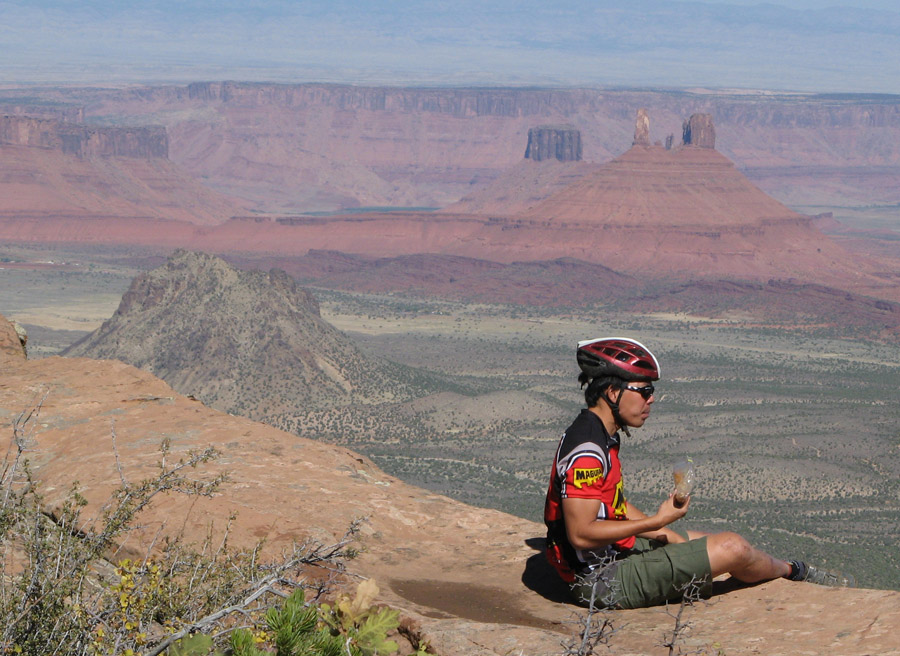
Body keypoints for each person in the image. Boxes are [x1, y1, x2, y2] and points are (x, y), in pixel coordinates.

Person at [543, 337, 854, 609]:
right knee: (733, 548)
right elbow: (581, 534)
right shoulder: (588, 452)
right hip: (600, 580)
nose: (651, 399)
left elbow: (611, 505)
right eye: (644, 390)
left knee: (701, 541)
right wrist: (658, 521)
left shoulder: (599, 433)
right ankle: (796, 572)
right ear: (612, 392)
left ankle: (789, 570)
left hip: (610, 556)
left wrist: (660, 532)